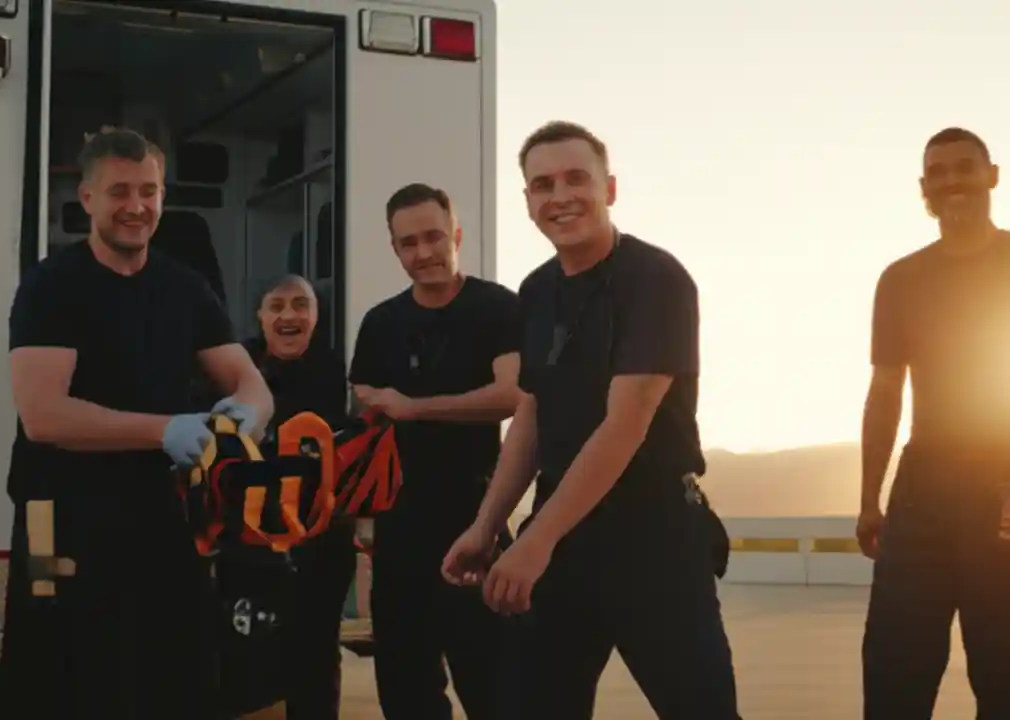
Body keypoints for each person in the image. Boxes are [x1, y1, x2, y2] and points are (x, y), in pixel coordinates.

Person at [441, 120, 741, 720]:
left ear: (610, 188)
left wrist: (535, 542)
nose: (560, 196)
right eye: (542, 184)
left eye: (576, 179)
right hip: (564, 535)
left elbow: (625, 424)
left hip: (653, 535)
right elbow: (531, 411)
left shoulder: (655, 279)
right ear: (527, 202)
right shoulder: (536, 291)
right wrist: (488, 525)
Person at [1, 127, 274, 720]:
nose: (137, 206)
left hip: (163, 524)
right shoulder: (52, 288)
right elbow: (43, 416)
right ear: (88, 198)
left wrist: (250, 413)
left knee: (173, 686)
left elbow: (249, 380)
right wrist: (164, 430)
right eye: (119, 190)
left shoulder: (183, 287)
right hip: (67, 527)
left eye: (148, 190)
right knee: (70, 687)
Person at [858, 127, 1010, 719]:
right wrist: (870, 498)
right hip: (921, 494)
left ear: (992, 175)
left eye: (964, 168)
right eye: (937, 173)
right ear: (924, 189)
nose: (951, 182)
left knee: (1005, 681)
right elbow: (885, 393)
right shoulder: (901, 279)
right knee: (894, 676)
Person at [348, 183, 522, 720]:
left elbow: (511, 396)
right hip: (399, 533)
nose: (422, 253)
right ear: (394, 248)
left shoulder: (497, 307)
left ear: (457, 235)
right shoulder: (381, 323)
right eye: (408, 243)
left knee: (493, 686)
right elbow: (364, 410)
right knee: (405, 690)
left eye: (433, 237)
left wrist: (413, 407)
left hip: (477, 526)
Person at [216, 273, 358, 720]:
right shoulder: (233, 369)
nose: (289, 315)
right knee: (242, 649)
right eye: (276, 306)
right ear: (260, 317)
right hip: (247, 543)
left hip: (322, 540)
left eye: (301, 305)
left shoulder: (337, 372)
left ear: (316, 317)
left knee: (316, 654)